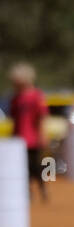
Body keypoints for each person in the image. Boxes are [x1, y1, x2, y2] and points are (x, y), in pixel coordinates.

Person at [7, 63, 48, 203]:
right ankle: (27, 192)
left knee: (35, 166)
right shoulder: (15, 98)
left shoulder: (36, 96)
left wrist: (42, 134)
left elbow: (42, 117)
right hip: (19, 139)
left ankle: (43, 190)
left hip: (33, 138)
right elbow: (14, 118)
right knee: (21, 168)